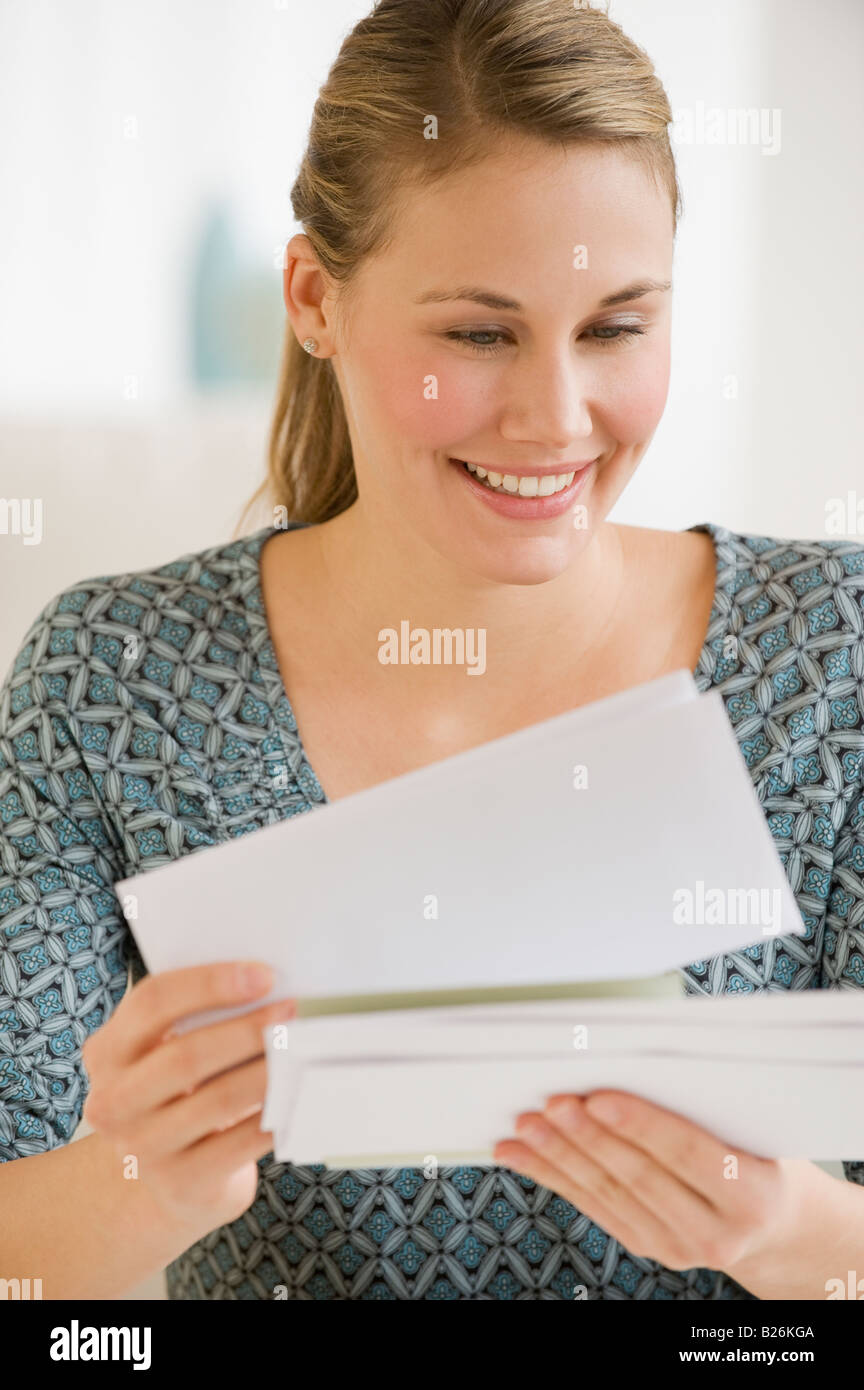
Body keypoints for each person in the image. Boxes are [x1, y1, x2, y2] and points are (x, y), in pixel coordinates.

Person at [1, 0, 862, 1302]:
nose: (556, 417)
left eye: (617, 326)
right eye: (478, 332)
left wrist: (788, 1230)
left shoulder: (830, 659)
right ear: (314, 298)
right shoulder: (111, 681)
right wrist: (146, 1180)